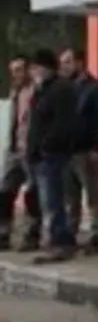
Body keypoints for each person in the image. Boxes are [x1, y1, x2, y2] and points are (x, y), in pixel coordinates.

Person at [26, 48, 80, 264]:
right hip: (40, 155)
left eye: (35, 67)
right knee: (47, 201)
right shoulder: (42, 90)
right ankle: (59, 239)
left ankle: (61, 242)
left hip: (53, 154)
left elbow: (62, 123)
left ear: (45, 68)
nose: (33, 72)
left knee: (53, 200)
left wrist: (47, 146)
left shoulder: (61, 89)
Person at [58, 47, 98, 253]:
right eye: (62, 62)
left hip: (86, 150)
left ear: (80, 63)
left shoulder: (95, 88)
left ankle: (97, 233)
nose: (64, 66)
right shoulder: (64, 89)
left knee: (93, 194)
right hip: (66, 152)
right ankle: (71, 232)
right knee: (70, 197)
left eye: (68, 61)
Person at [0, 55, 42, 251]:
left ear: (28, 70)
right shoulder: (15, 92)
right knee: (5, 191)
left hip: (31, 149)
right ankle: (4, 232)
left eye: (19, 70)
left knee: (32, 194)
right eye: (13, 71)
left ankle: (32, 233)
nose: (15, 74)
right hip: (14, 149)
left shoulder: (36, 92)